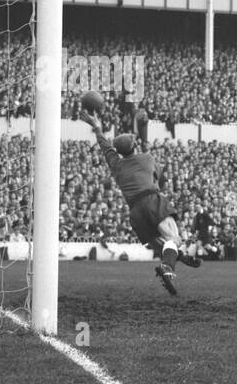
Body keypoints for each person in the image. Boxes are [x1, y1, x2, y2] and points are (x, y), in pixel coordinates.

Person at [81, 110, 199, 295]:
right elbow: (159, 177)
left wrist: (97, 128)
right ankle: (168, 267)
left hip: (135, 211)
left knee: (162, 246)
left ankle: (178, 257)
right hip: (152, 200)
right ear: (134, 147)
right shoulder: (147, 158)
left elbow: (105, 147)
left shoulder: (116, 165)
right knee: (173, 239)